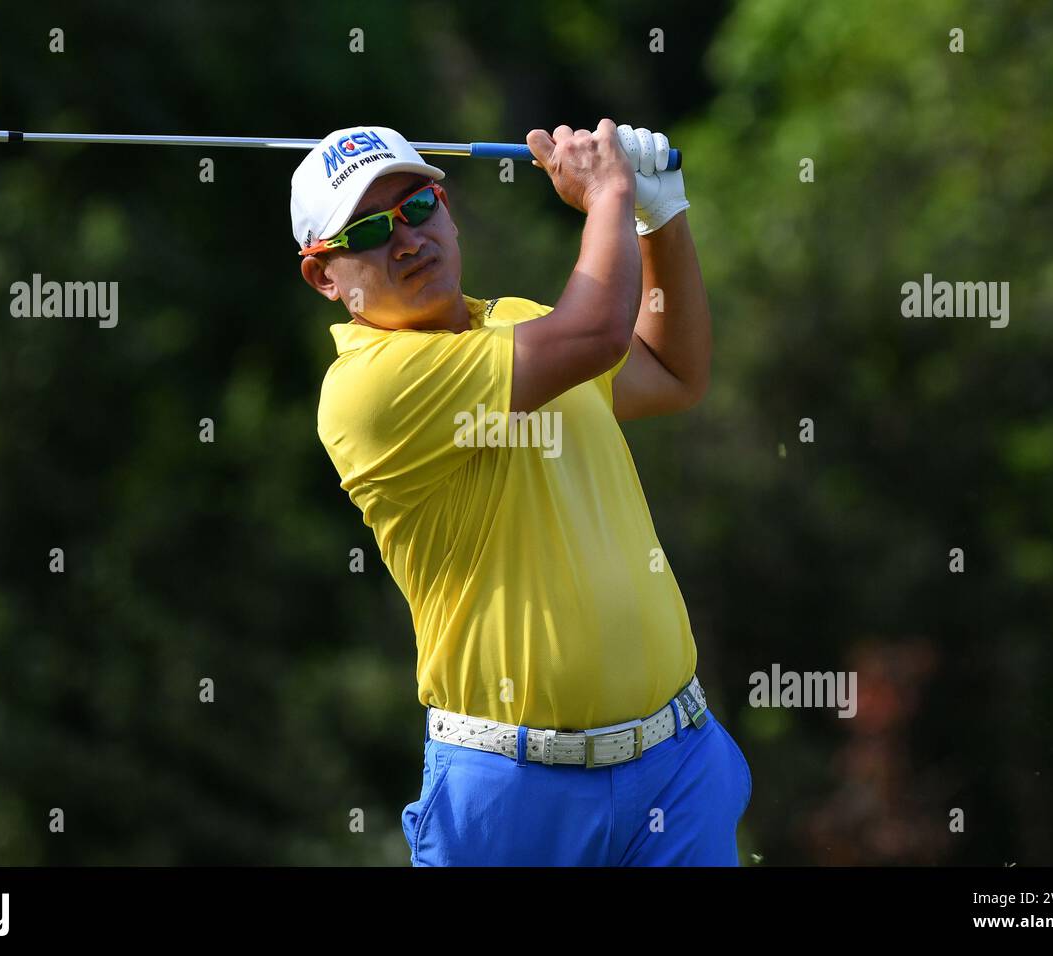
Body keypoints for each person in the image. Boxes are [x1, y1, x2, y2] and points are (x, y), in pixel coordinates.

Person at [293, 120, 751, 865]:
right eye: (370, 231)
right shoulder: (367, 390)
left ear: (447, 206)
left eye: (417, 207)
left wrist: (660, 219)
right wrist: (608, 193)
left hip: (677, 769)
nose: (408, 240)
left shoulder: (522, 323)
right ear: (325, 277)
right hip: (512, 794)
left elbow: (673, 373)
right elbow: (597, 334)